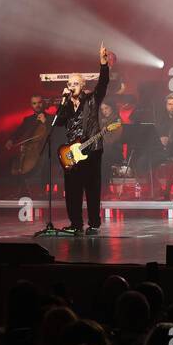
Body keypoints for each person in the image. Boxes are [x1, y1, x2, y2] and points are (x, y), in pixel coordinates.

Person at [55, 43, 110, 235]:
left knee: (92, 189)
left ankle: (94, 224)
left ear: (83, 85)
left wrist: (103, 64)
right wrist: (62, 102)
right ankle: (75, 223)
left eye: (76, 83)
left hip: (92, 149)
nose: (72, 86)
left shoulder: (92, 100)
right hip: (73, 152)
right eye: (69, 84)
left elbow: (103, 84)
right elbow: (57, 123)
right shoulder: (67, 105)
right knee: (72, 191)